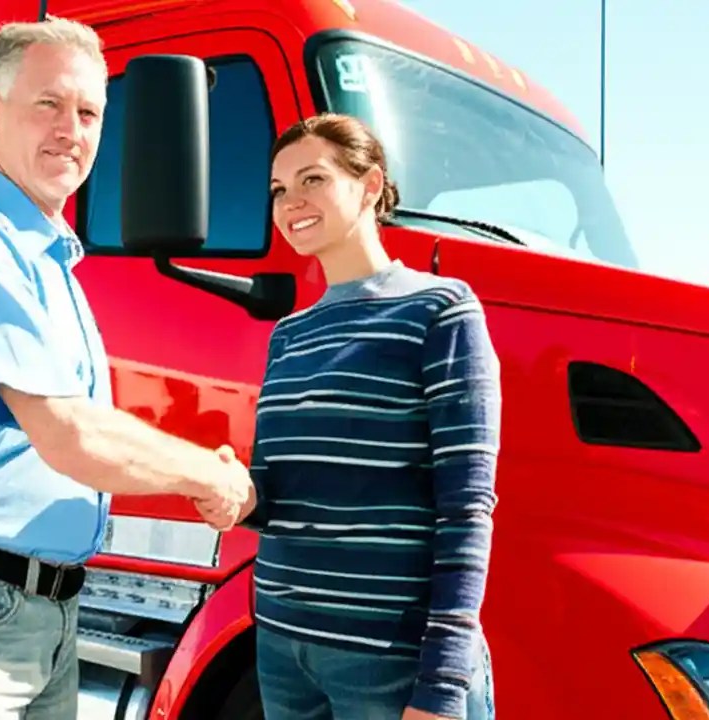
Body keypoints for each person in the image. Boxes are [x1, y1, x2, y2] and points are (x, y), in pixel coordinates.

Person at [0, 16, 252, 720]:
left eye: (89, 111)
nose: (72, 129)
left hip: (46, 618)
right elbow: (72, 435)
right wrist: (210, 475)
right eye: (49, 104)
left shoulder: (54, 262)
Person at [232, 112, 501, 720]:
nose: (290, 202)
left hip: (390, 659)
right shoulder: (290, 335)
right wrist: (233, 492)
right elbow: (279, 496)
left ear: (371, 184)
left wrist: (443, 684)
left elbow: (466, 508)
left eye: (312, 180)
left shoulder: (440, 310)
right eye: (278, 190)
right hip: (282, 648)